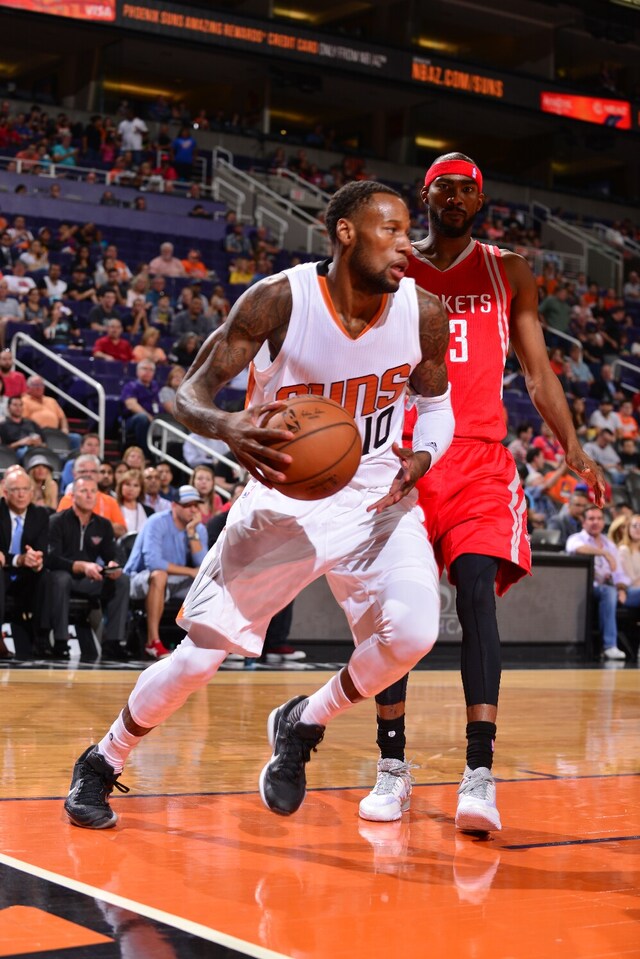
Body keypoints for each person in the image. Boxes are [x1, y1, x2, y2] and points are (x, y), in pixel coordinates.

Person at [63, 179, 454, 829]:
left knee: (415, 630)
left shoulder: (424, 311)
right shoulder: (280, 300)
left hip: (378, 496)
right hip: (283, 503)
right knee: (199, 659)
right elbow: (186, 396)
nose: (406, 244)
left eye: (409, 229)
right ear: (346, 233)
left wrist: (420, 459)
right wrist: (228, 427)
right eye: (390, 229)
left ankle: (302, 722)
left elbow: (437, 407)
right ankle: (103, 759)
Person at [357, 153, 605, 833]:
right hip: (405, 456)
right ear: (426, 195)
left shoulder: (508, 271)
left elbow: (537, 372)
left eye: (468, 188)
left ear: (482, 199)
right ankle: (392, 766)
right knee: (398, 616)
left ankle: (479, 773)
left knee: (474, 597)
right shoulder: (393, 268)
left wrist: (573, 445)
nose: (458, 196)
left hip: (479, 459)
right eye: (446, 187)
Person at [48, 477, 130, 662]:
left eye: (93, 491)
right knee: (61, 579)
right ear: (72, 495)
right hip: (63, 575)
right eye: (84, 491)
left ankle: (113, 642)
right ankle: (61, 641)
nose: (89, 495)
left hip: (90, 579)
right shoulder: (56, 521)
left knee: (122, 580)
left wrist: (113, 565)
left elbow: (113, 553)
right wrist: (80, 566)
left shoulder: (103, 524)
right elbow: (51, 559)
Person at [122, 484, 208, 660]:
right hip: (140, 578)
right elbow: (153, 563)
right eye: (187, 505)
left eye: (195, 505)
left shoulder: (198, 528)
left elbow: (203, 565)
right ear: (174, 505)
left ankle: (202, 644)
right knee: (159, 575)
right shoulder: (156, 521)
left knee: (209, 583)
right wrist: (190, 571)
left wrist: (192, 533)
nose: (192, 510)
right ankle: (152, 642)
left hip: (176, 580)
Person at [566, 505, 640, 660]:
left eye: (599, 519)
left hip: (614, 589)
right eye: (591, 518)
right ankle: (609, 646)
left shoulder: (609, 544)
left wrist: (621, 588)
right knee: (608, 591)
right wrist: (603, 553)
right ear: (583, 522)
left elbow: (619, 574)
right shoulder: (577, 538)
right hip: (589, 589)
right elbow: (576, 548)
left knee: (627, 592)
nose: (596, 522)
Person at [0, 465, 50, 659]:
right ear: (5, 492)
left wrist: (36, 558)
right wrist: (18, 559)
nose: (21, 495)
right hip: (3, 573)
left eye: (25, 489)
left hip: (26, 575)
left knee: (46, 576)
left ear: (32, 492)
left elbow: (42, 548)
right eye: (15, 490)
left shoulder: (40, 515)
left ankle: (43, 640)